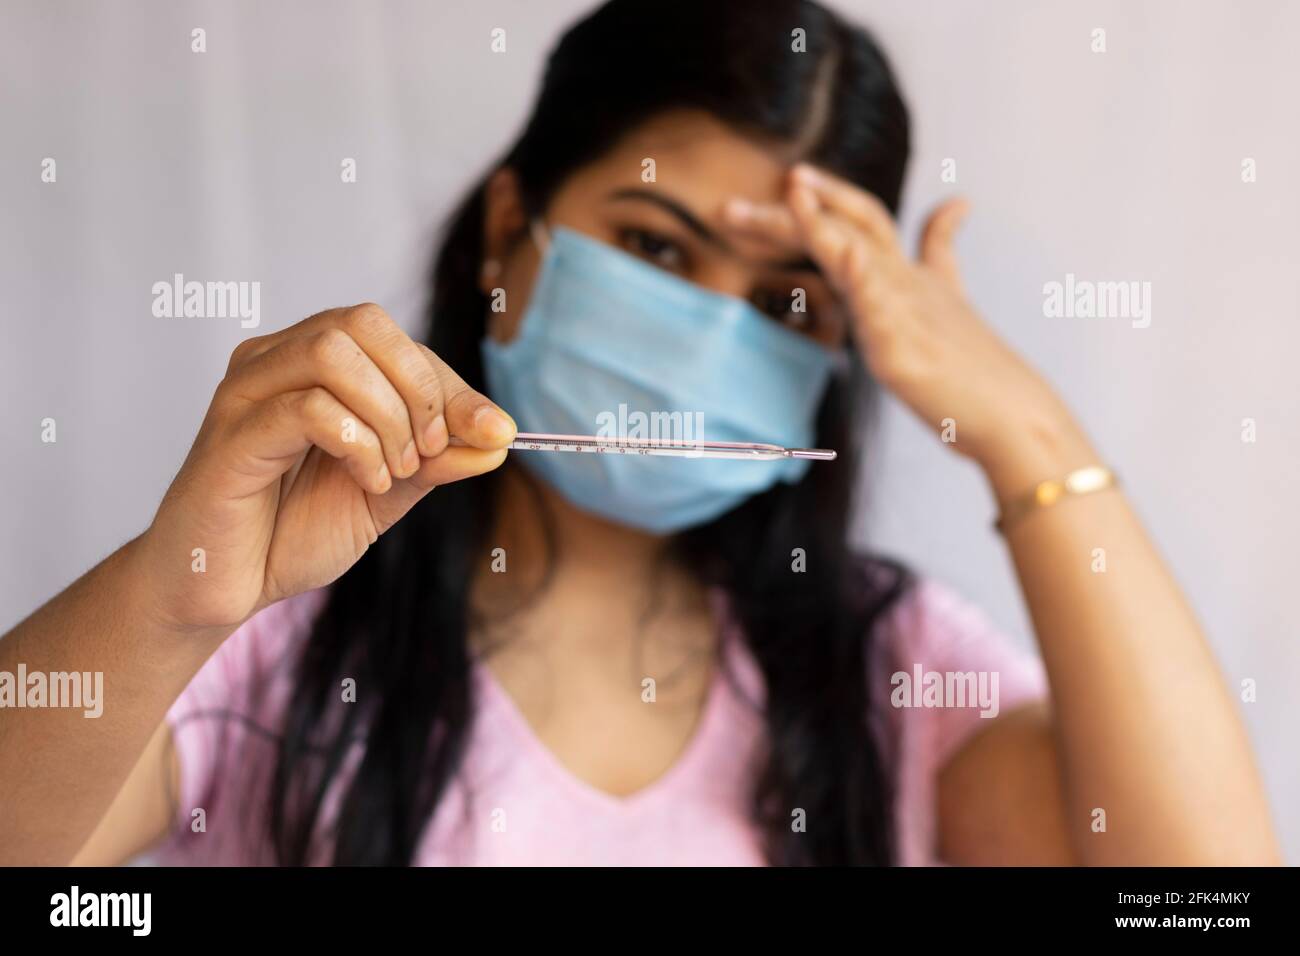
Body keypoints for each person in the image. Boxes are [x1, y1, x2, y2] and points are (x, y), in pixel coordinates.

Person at [0, 0, 1279, 866]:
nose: (704, 336)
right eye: (655, 247)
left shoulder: (896, 673)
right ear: (510, 230)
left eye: (783, 299)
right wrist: (177, 594)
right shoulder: (275, 627)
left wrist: (1022, 428)